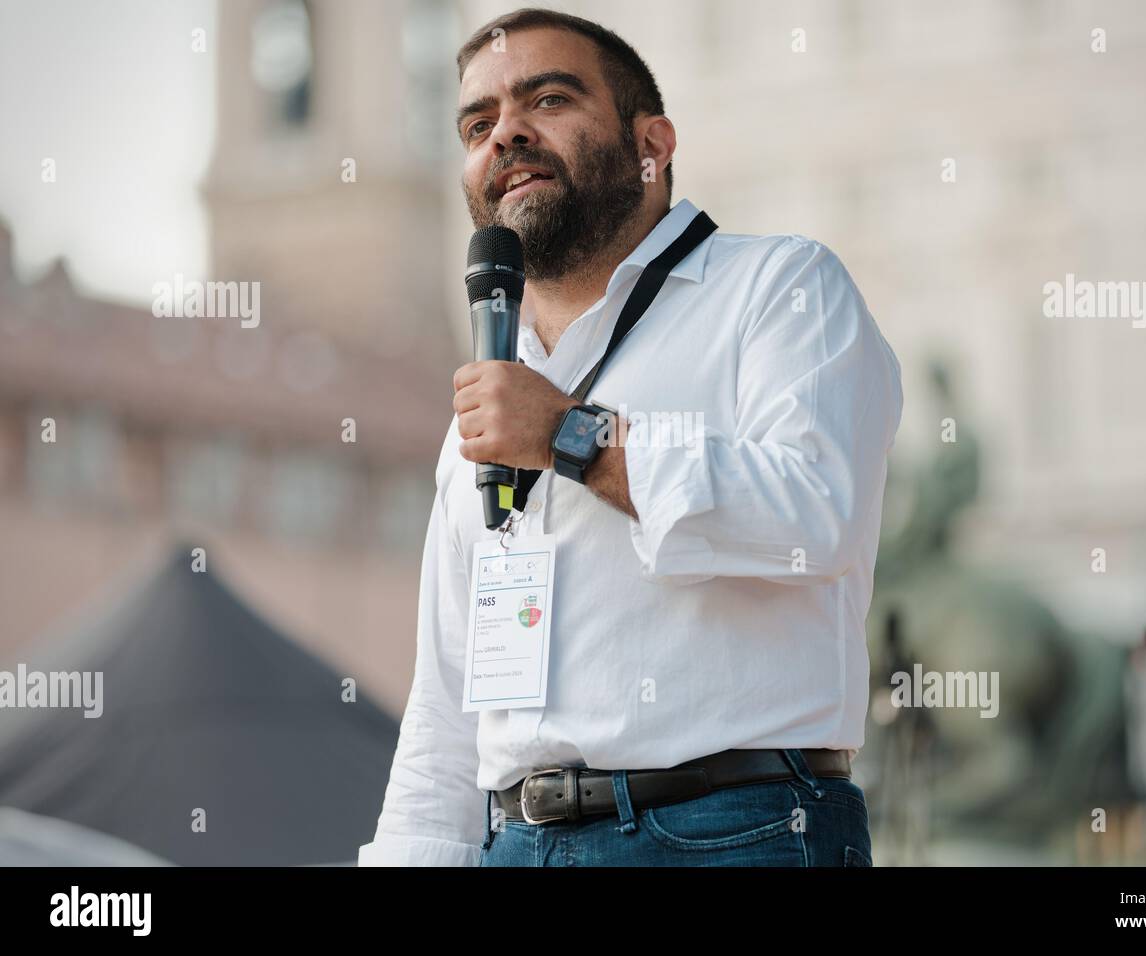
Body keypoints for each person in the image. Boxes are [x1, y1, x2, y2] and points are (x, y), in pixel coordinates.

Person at [359, 7, 902, 867]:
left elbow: (817, 514)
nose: (506, 134)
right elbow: (445, 711)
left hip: (733, 833)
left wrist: (575, 438)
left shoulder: (780, 288)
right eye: (478, 123)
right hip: (516, 841)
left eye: (547, 98)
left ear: (652, 143)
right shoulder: (492, 397)